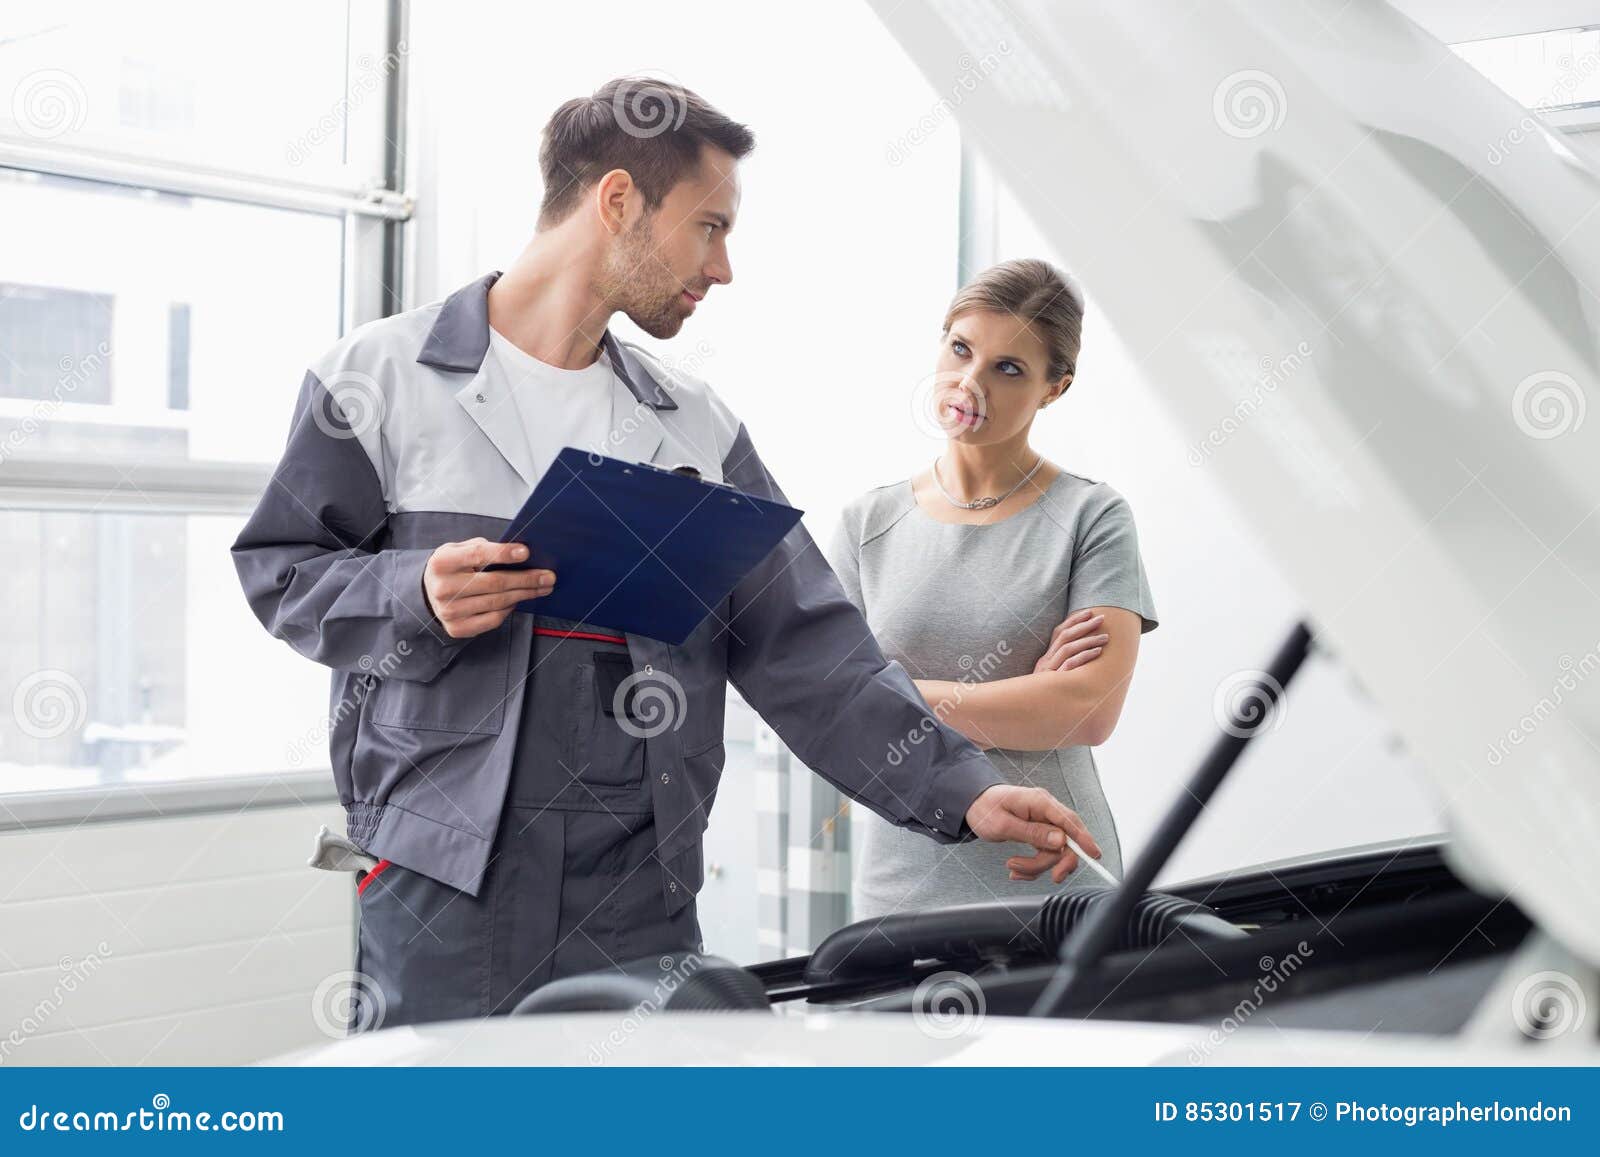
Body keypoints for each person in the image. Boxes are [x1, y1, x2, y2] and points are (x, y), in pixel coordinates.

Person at [231, 79, 1103, 1030]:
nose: (722, 266)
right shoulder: (377, 380)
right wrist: (412, 591)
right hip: (446, 879)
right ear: (618, 201)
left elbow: (810, 649)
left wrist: (966, 789)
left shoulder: (695, 428)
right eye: (709, 226)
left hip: (639, 891)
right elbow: (283, 568)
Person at [828, 258, 1159, 922]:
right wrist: (1026, 697)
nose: (969, 382)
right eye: (960, 349)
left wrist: (895, 696)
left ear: (1054, 388)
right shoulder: (868, 523)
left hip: (1058, 889)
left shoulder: (1092, 516)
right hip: (900, 895)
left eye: (1009, 368)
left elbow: (1088, 713)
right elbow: (835, 713)